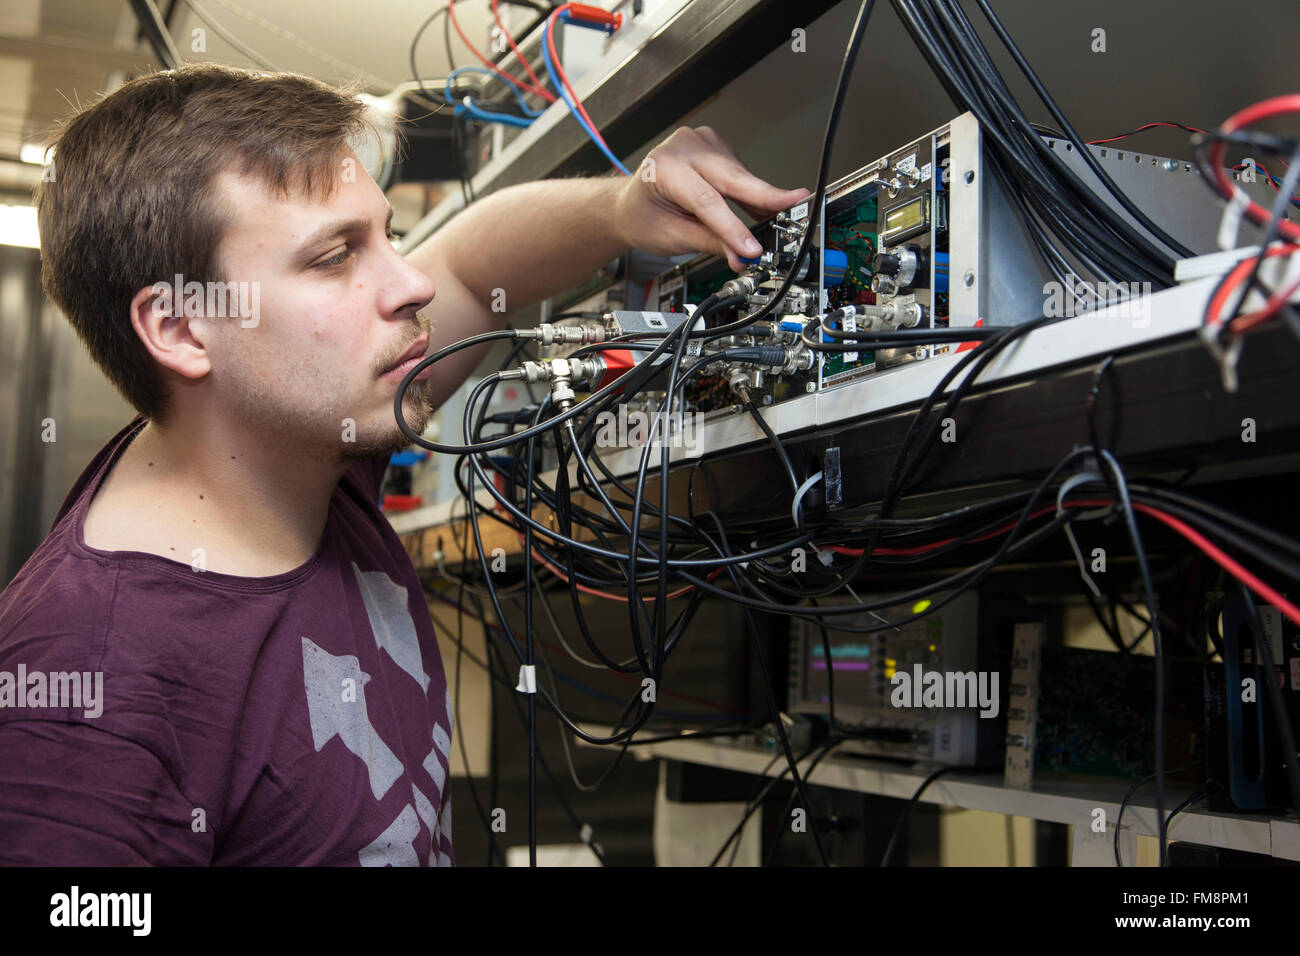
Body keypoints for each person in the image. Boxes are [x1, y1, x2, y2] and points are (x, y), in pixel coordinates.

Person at [0, 63, 809, 865]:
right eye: (332, 258)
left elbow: (469, 265)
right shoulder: (87, 695)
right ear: (181, 329)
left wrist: (624, 208)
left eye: (384, 235)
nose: (412, 282)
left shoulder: (309, 455)